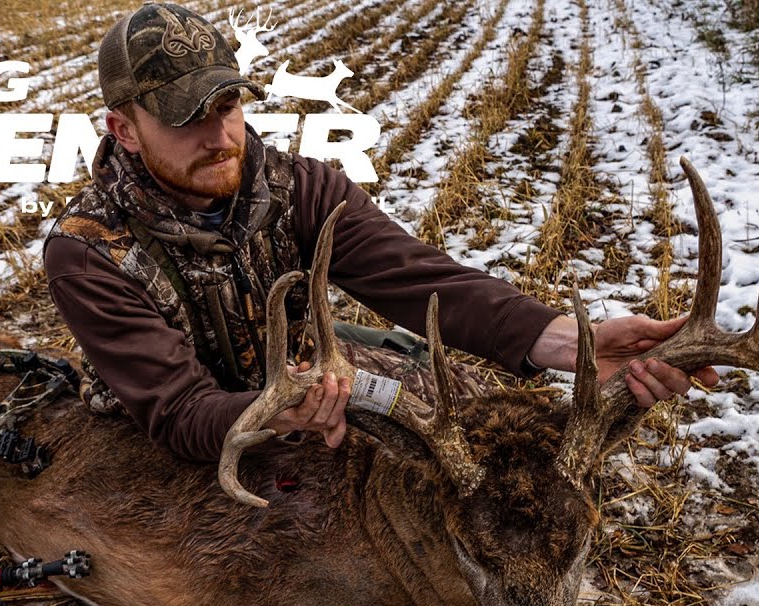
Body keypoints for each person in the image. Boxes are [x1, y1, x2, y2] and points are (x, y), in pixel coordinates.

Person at [43, 2, 718, 463]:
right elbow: (180, 413)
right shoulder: (88, 250)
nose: (219, 136)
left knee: (471, 419)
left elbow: (420, 279)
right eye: (184, 117)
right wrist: (279, 413)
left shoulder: (299, 188)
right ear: (123, 130)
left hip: (305, 379)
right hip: (187, 434)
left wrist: (569, 342)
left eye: (227, 105)